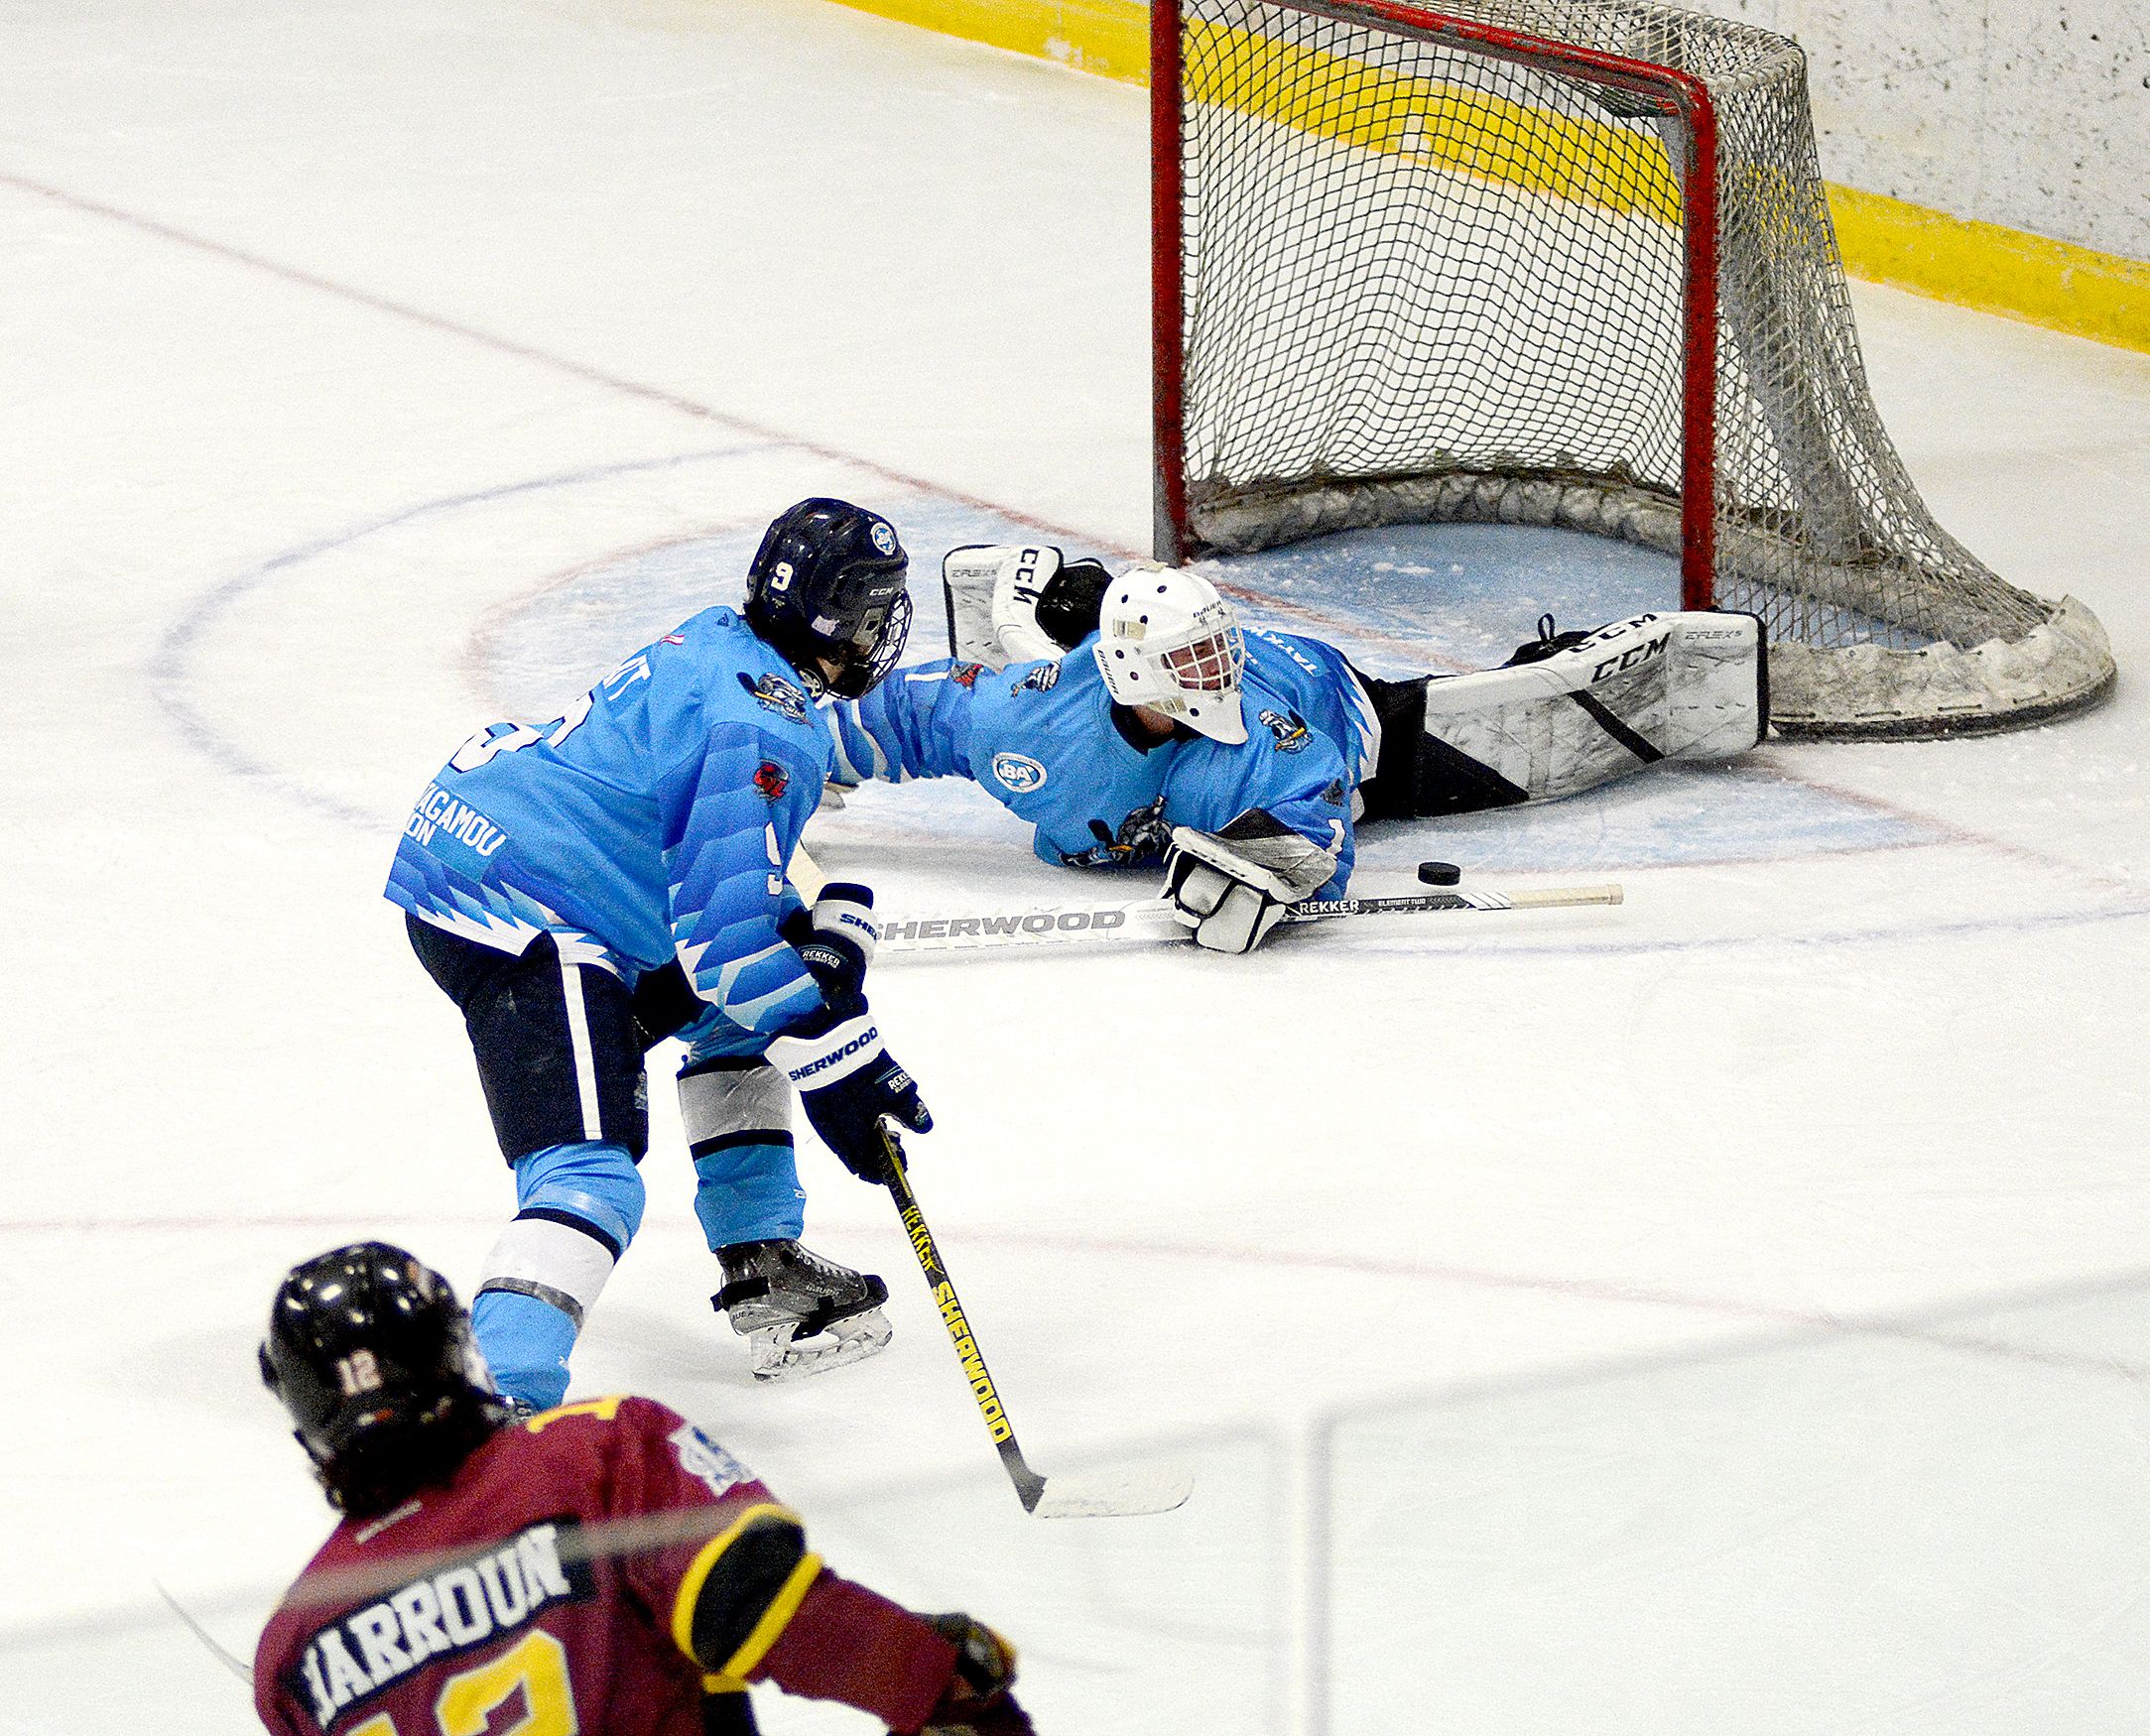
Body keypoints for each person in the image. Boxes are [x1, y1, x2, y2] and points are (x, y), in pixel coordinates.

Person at [385, 498, 933, 1402]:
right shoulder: (761, 725)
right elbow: (725, 949)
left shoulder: (725, 641)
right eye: (876, 610)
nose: (884, 630)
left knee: (739, 1017)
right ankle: (498, 1405)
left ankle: (763, 1264)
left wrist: (815, 967)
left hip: (533, 857)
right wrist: (844, 1064)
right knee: (591, 1175)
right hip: (522, 905)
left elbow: (725, 900)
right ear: (843, 620)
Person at [254, 1242, 1033, 1736]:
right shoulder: (598, 1451)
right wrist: (936, 1673)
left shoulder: (291, 1649)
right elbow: (768, 1615)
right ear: (456, 1353)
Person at [825, 545, 1765, 953]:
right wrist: (796, 763)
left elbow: (1316, 824)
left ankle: (1554, 660)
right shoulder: (1024, 725)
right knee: (1045, 657)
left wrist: (1269, 877)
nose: (1215, 671)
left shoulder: (1262, 740)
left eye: (1213, 647)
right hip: (1094, 673)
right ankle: (1069, 599)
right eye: (1193, 659)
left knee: (1445, 747)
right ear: (1136, 673)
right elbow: (903, 715)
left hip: (1338, 703)